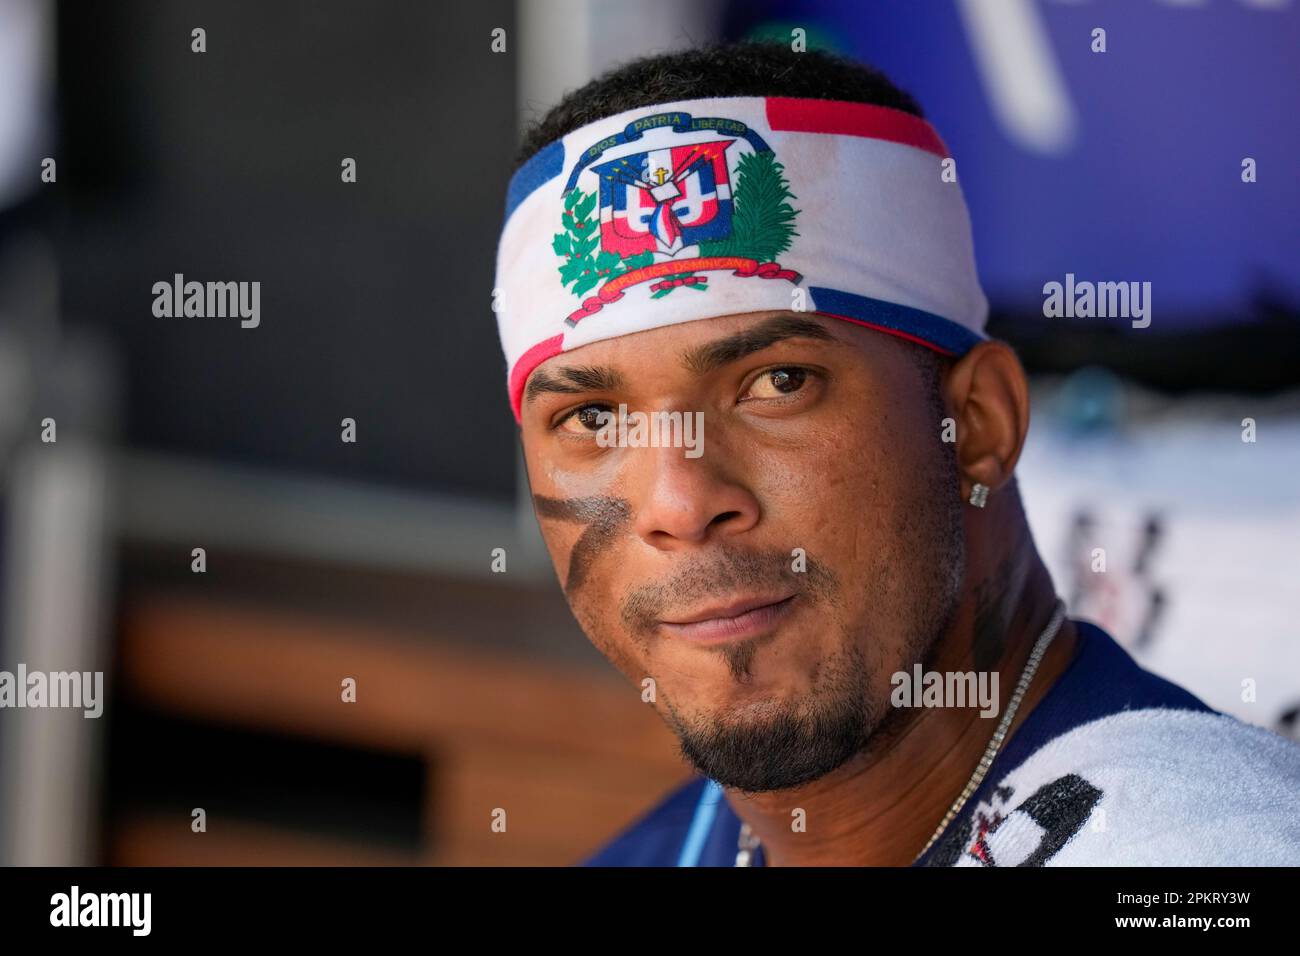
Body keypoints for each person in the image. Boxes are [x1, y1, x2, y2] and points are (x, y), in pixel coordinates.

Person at [492, 42, 1300, 866]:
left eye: (777, 382)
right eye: (593, 418)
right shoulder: (662, 850)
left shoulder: (1199, 855)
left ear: (979, 423)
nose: (678, 503)